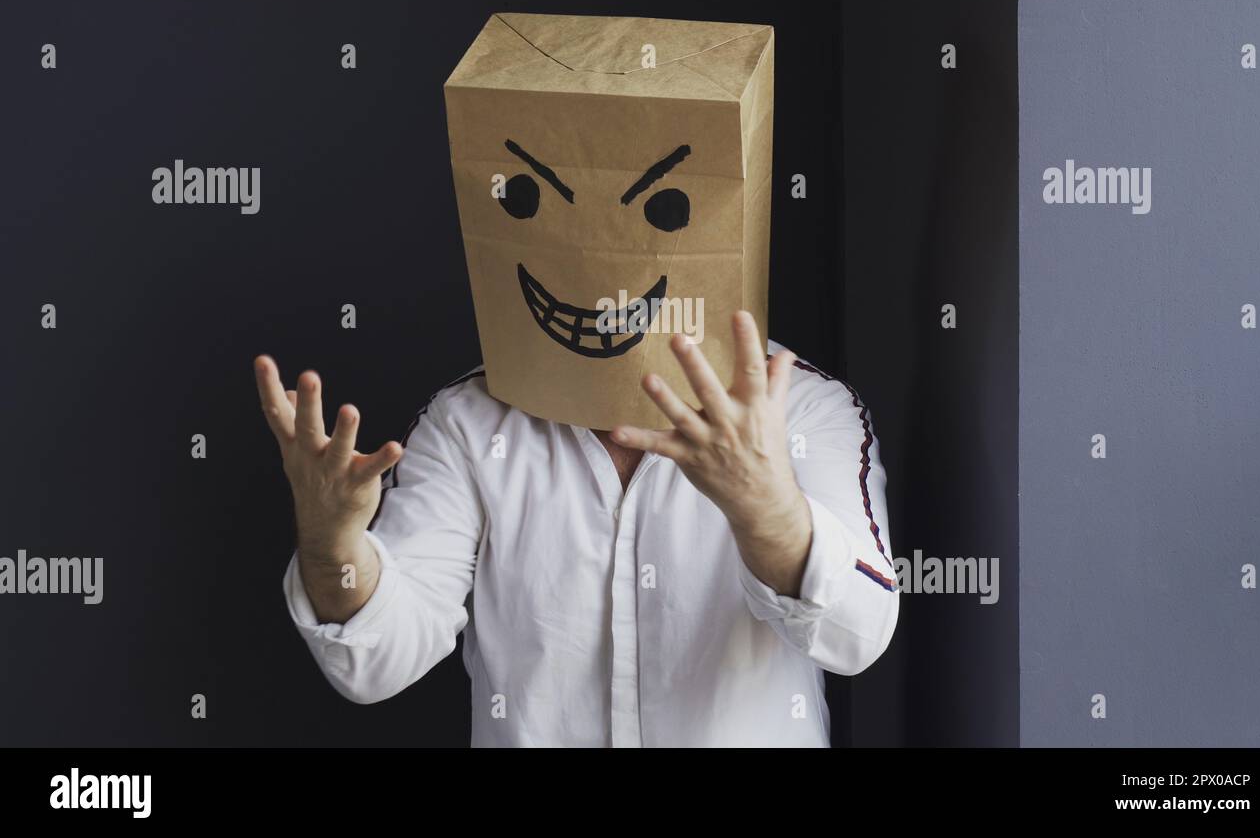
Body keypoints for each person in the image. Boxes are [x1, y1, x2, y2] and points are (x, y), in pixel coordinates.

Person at [254, 311, 898, 747]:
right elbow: (378, 659)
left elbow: (857, 633)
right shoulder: (471, 423)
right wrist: (330, 543)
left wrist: (767, 508)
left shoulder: (803, 406)